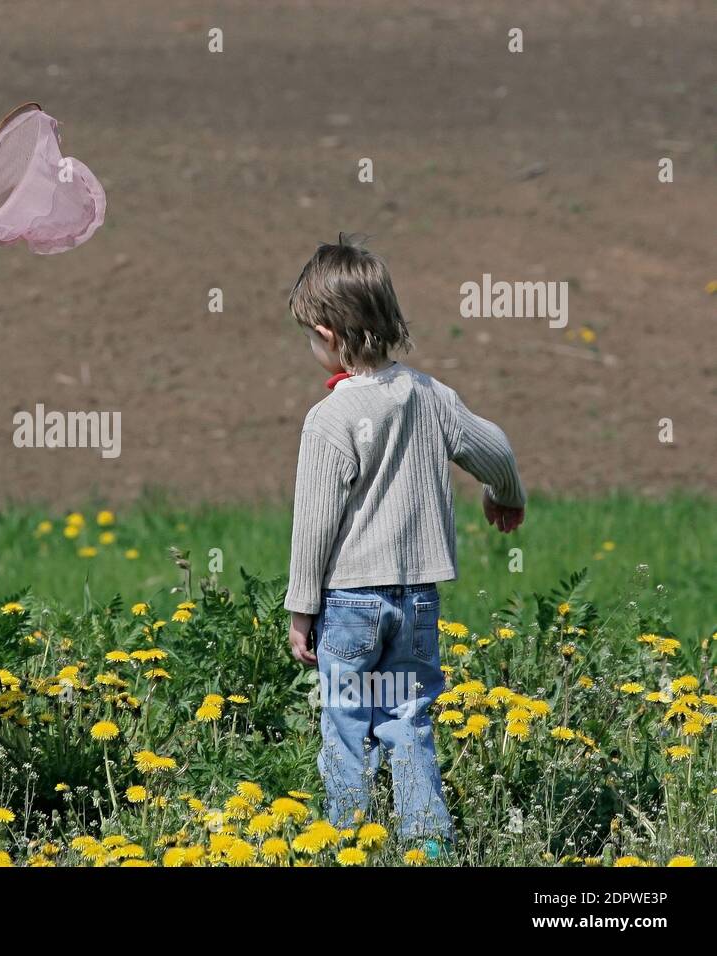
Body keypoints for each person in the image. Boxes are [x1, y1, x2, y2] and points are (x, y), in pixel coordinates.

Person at [283, 233, 525, 851]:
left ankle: (349, 841)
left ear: (328, 334)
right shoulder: (428, 395)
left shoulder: (329, 419)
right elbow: (493, 446)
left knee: (344, 725)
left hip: (348, 605)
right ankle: (429, 846)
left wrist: (300, 610)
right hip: (417, 599)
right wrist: (505, 492)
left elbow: (314, 523)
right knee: (409, 723)